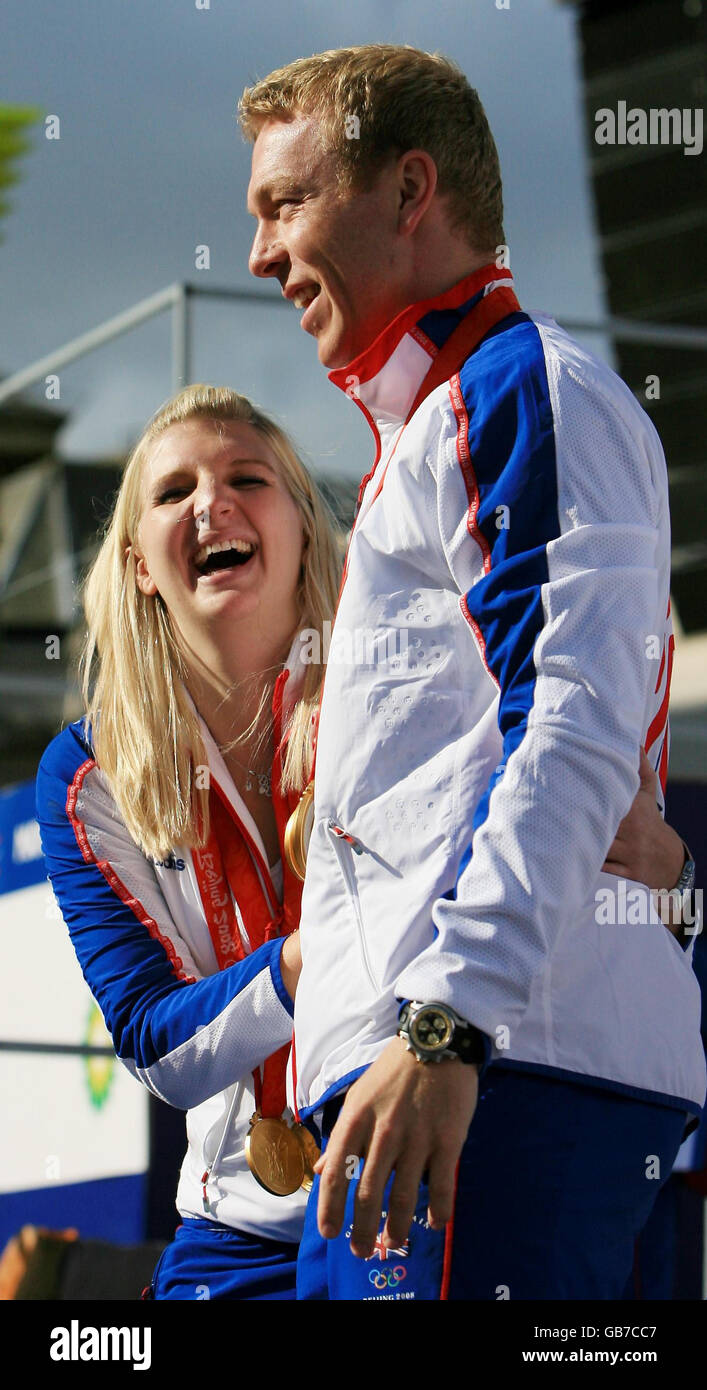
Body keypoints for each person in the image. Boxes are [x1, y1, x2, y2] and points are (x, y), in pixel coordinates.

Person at [239, 44, 705, 1300]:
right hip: (467, 1080)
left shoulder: (512, 391)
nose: (258, 253)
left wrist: (446, 1022)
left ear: (408, 190)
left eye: (285, 202)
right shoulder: (436, 424)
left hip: (495, 1081)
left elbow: (570, 718)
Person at [35, 385, 341, 1300]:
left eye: (248, 477)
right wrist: (303, 965)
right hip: (240, 1222)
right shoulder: (91, 770)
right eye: (172, 493)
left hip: (423, 1180)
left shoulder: (395, 692)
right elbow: (153, 1042)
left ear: (300, 527)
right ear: (136, 564)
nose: (211, 503)